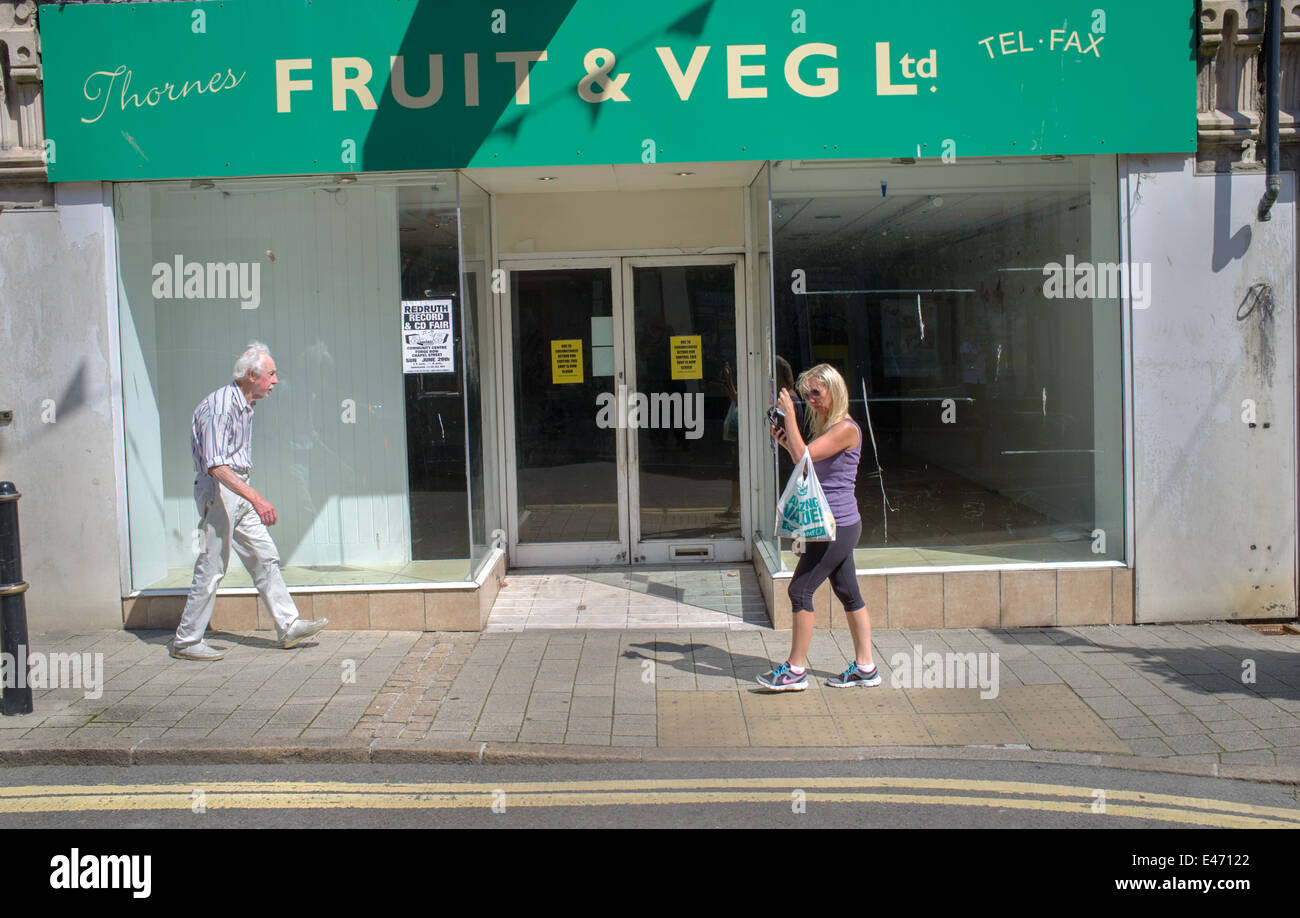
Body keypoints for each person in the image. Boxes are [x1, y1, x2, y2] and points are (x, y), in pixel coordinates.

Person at [170, 342, 328, 660]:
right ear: (251, 375)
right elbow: (216, 465)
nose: (276, 380)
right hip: (220, 490)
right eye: (270, 374)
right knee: (212, 565)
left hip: (237, 490)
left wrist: (248, 495)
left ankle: (288, 625)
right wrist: (257, 499)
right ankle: (186, 641)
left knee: (264, 556)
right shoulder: (220, 407)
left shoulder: (245, 404)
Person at [758, 363, 878, 691]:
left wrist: (791, 419)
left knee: (799, 590)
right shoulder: (831, 427)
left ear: (833, 391)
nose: (810, 398)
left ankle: (795, 671)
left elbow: (804, 459)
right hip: (832, 523)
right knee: (848, 592)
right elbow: (808, 463)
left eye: (816, 392)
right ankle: (866, 668)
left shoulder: (845, 429)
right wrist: (787, 441)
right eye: (806, 392)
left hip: (835, 526)